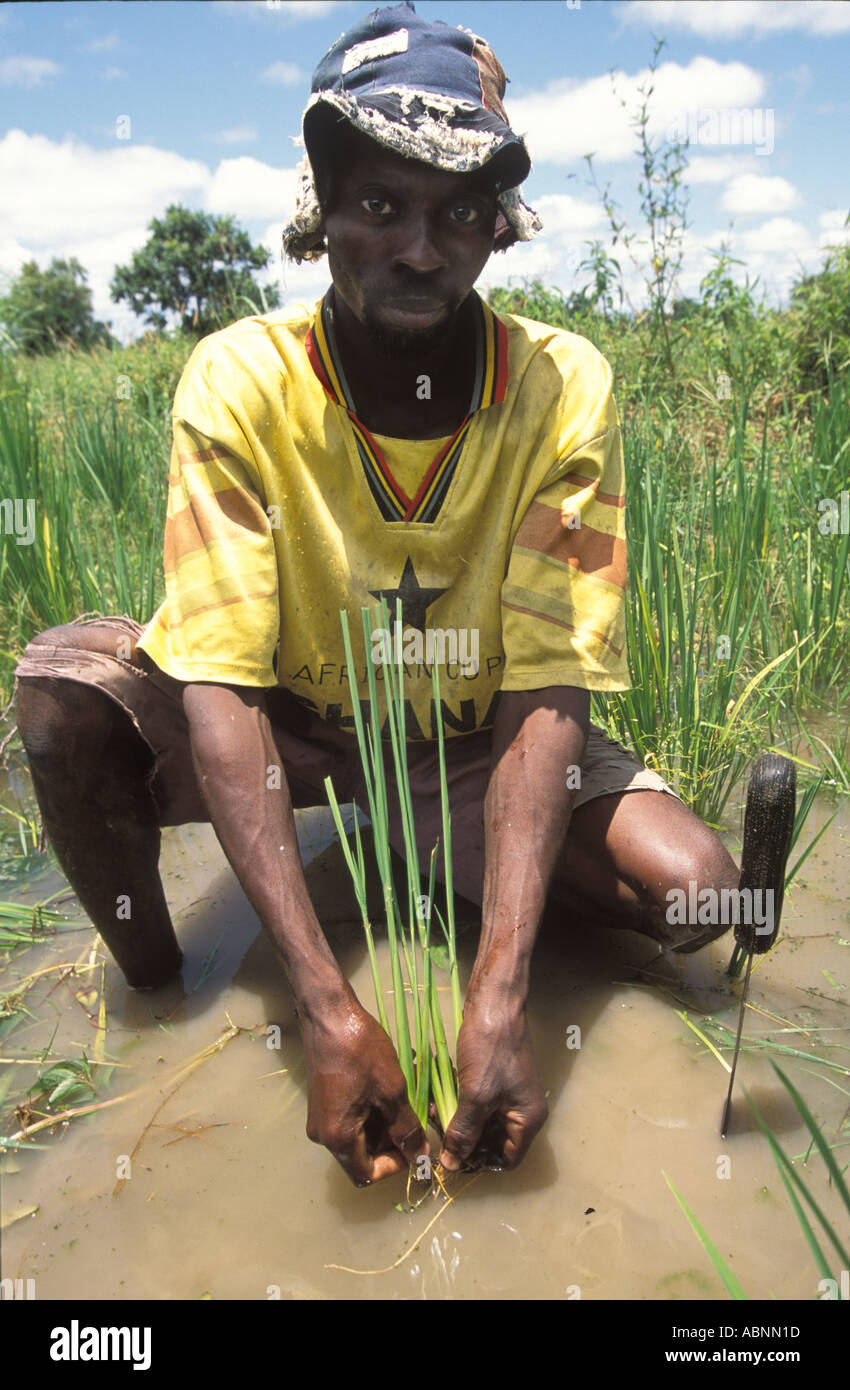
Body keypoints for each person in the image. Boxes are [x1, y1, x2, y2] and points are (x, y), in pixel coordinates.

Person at [13, 3, 740, 1186]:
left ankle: (452, 883)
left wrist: (502, 999)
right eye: (380, 205)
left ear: (498, 229)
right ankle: (161, 992)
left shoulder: (560, 388)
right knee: (60, 697)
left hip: (463, 740)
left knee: (703, 890)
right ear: (323, 212)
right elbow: (223, 682)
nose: (419, 246)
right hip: (296, 731)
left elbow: (546, 684)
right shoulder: (242, 378)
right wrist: (324, 1007)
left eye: (459, 211)